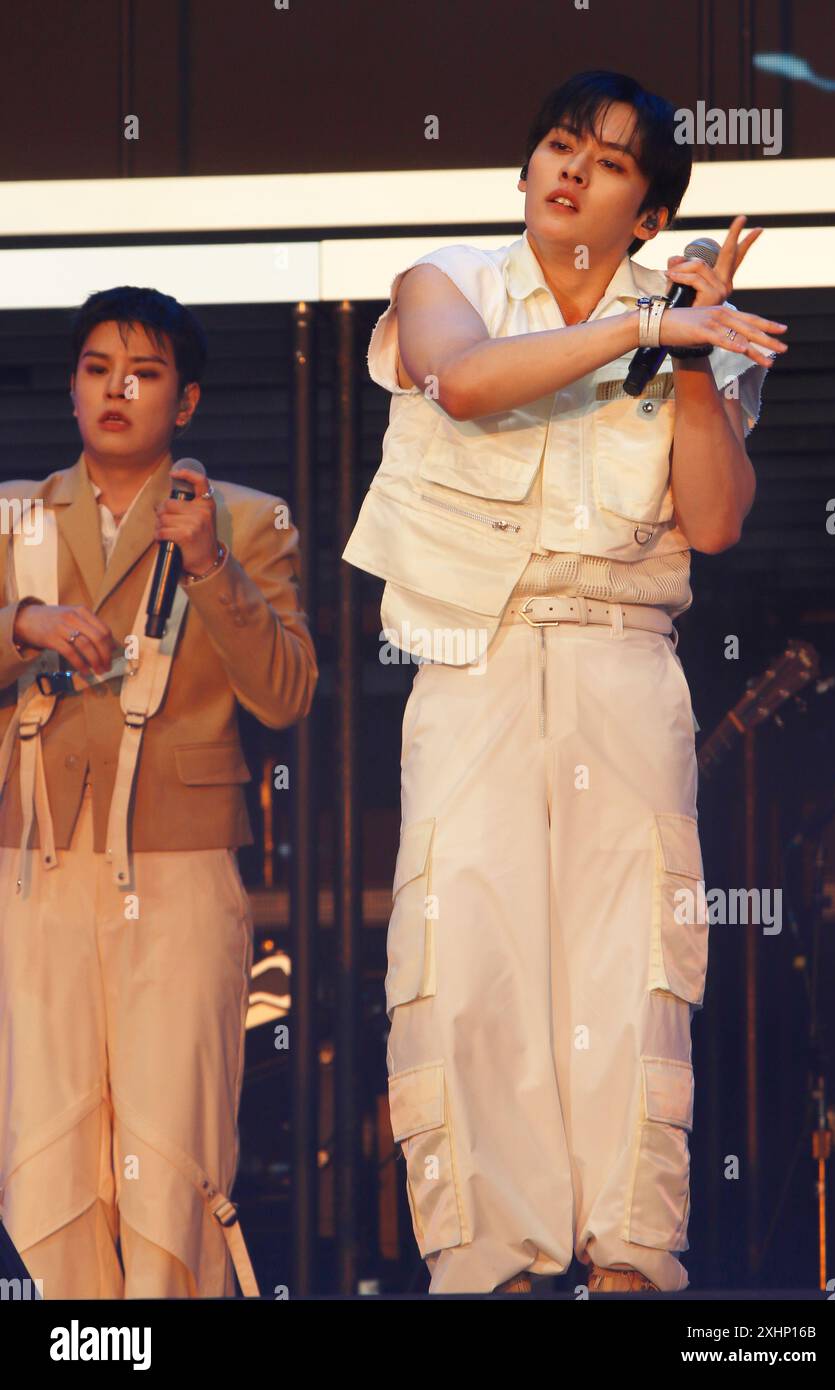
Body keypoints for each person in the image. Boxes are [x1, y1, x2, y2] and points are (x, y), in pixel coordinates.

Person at [342, 70, 785, 1295]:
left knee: (627, 955)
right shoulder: (449, 282)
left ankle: (632, 1257)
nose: (569, 169)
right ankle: (485, 1262)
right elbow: (464, 380)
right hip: (471, 657)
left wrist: (692, 346)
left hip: (622, 660)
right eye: (555, 144)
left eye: (607, 161)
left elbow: (714, 518)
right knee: (463, 949)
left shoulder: (689, 320)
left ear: (645, 215)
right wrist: (643, 330)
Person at [0, 286, 318, 1298]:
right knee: (46, 1131)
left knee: (170, 1130)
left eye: (141, 373)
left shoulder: (246, 519)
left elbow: (286, 691)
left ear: (184, 402)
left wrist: (210, 565)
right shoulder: (15, 514)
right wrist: (22, 625)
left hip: (177, 861)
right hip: (34, 859)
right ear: (71, 386)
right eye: (96, 369)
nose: (115, 390)